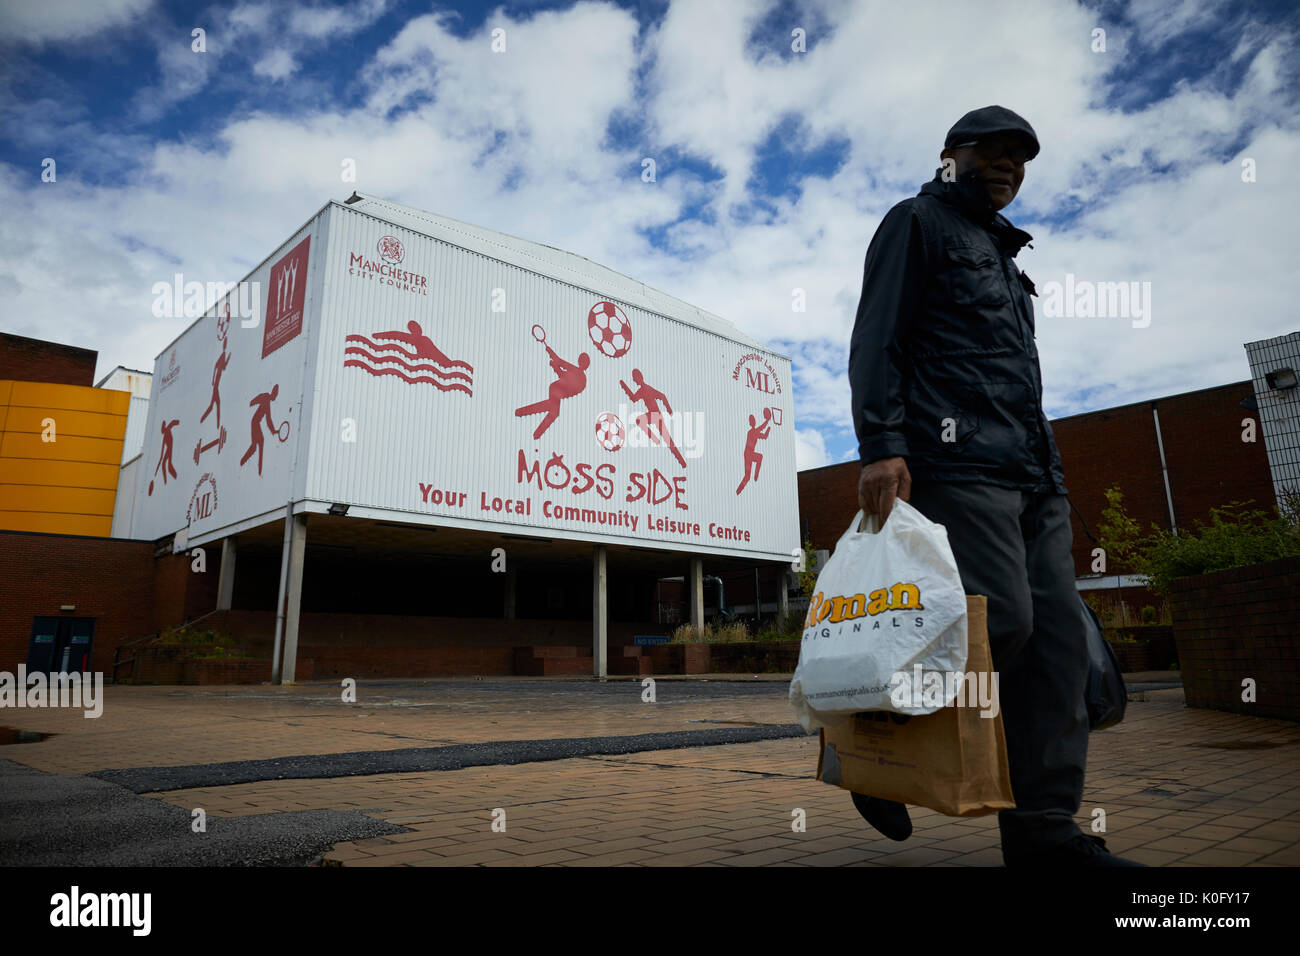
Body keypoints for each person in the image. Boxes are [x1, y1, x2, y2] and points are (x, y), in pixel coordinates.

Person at [847, 105, 1142, 867]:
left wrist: (1052, 474)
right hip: (957, 462)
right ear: (951, 155)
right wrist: (882, 444)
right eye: (994, 151)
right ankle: (876, 739)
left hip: (1035, 477)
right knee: (997, 622)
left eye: (1021, 157)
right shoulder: (916, 222)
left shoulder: (1008, 259)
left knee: (1056, 653)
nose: (1009, 165)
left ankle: (1045, 834)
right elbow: (879, 336)